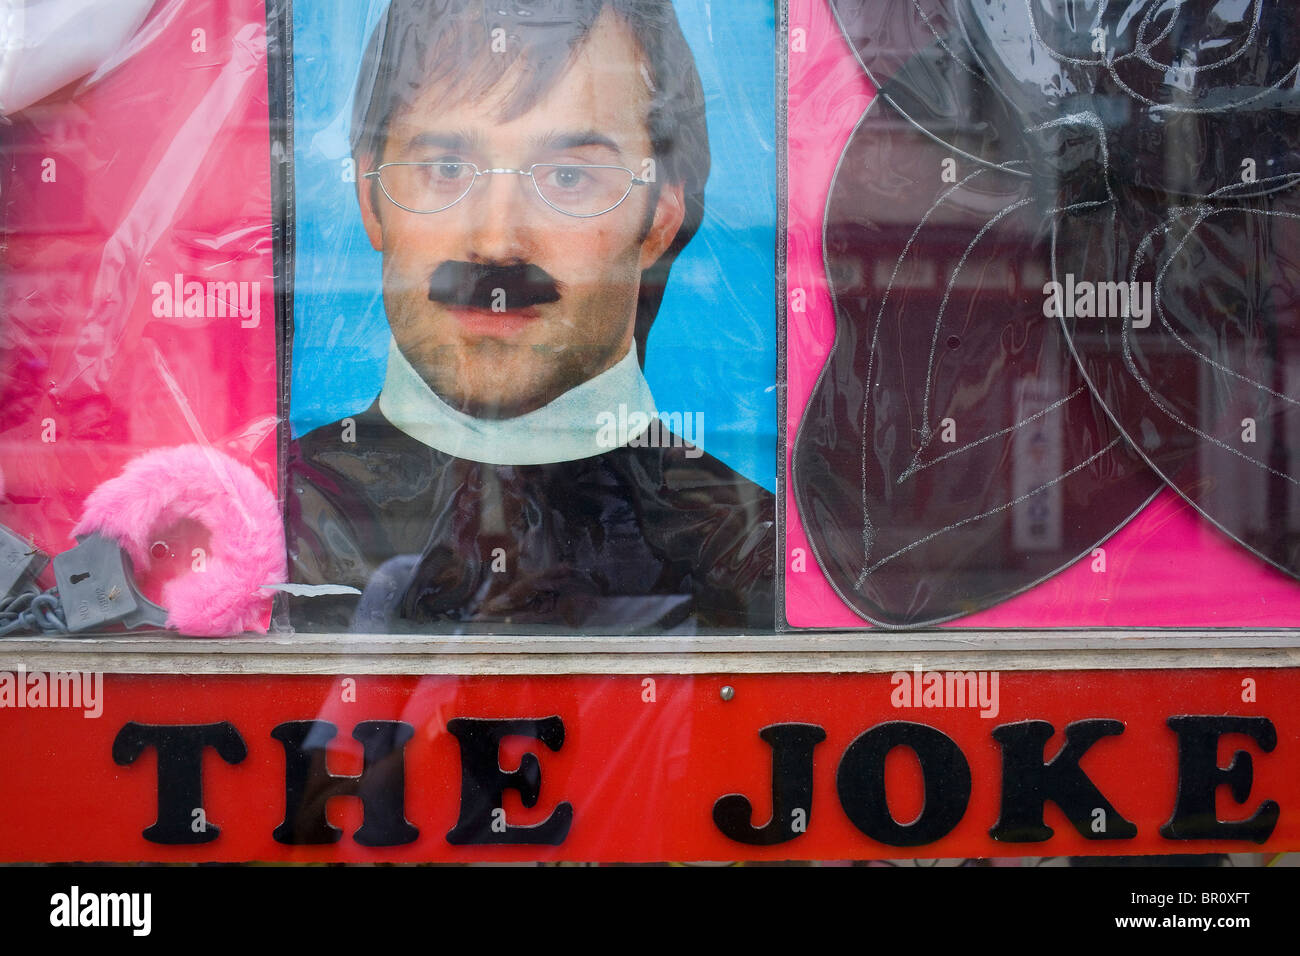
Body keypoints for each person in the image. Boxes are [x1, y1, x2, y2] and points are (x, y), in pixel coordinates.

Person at [286, 0, 774, 633]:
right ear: (370, 201)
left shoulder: (761, 563)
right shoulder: (263, 533)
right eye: (445, 169)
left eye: (568, 176)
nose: (495, 242)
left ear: (661, 215)